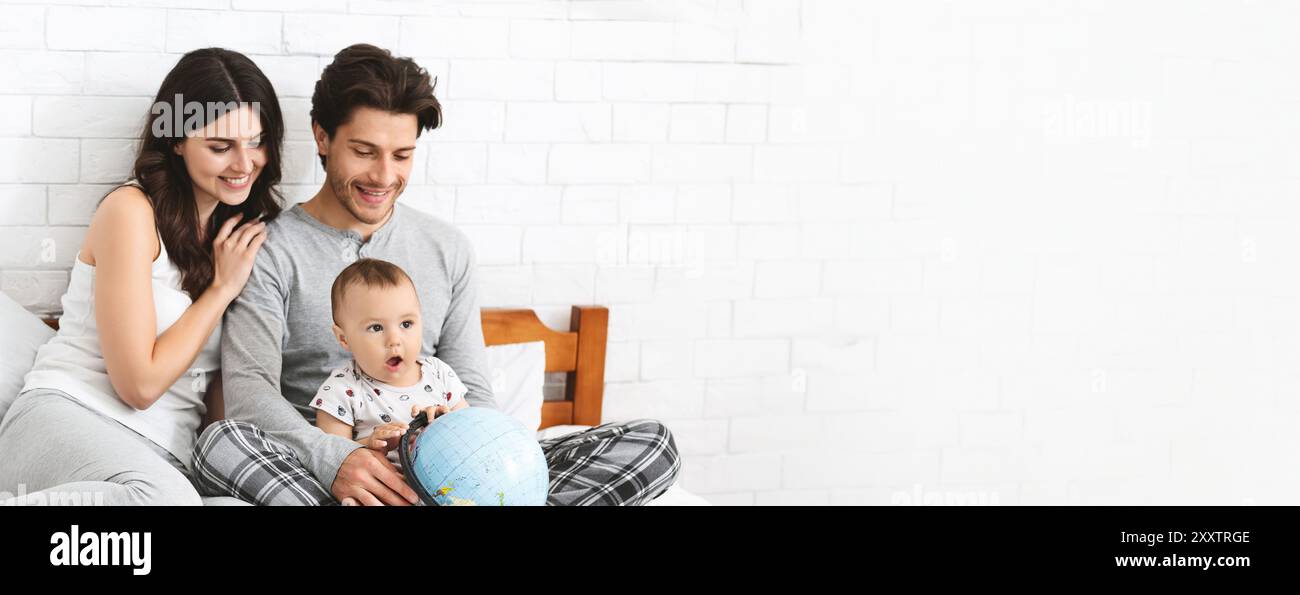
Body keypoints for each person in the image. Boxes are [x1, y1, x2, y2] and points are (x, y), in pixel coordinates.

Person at [192, 43, 680, 506]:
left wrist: (470, 452)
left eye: (402, 155)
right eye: (364, 151)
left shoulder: (447, 250)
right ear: (322, 136)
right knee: (218, 443)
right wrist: (337, 458)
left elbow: (474, 389)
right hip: (327, 471)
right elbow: (248, 391)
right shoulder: (267, 248)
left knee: (654, 445)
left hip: (442, 464)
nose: (384, 176)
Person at [0, 48, 285, 505]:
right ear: (175, 140)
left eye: (257, 141)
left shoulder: (235, 238)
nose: (245, 163)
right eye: (219, 146)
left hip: (163, 459)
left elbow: (214, 390)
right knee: (165, 501)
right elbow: (140, 385)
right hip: (68, 419)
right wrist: (221, 290)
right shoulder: (131, 213)